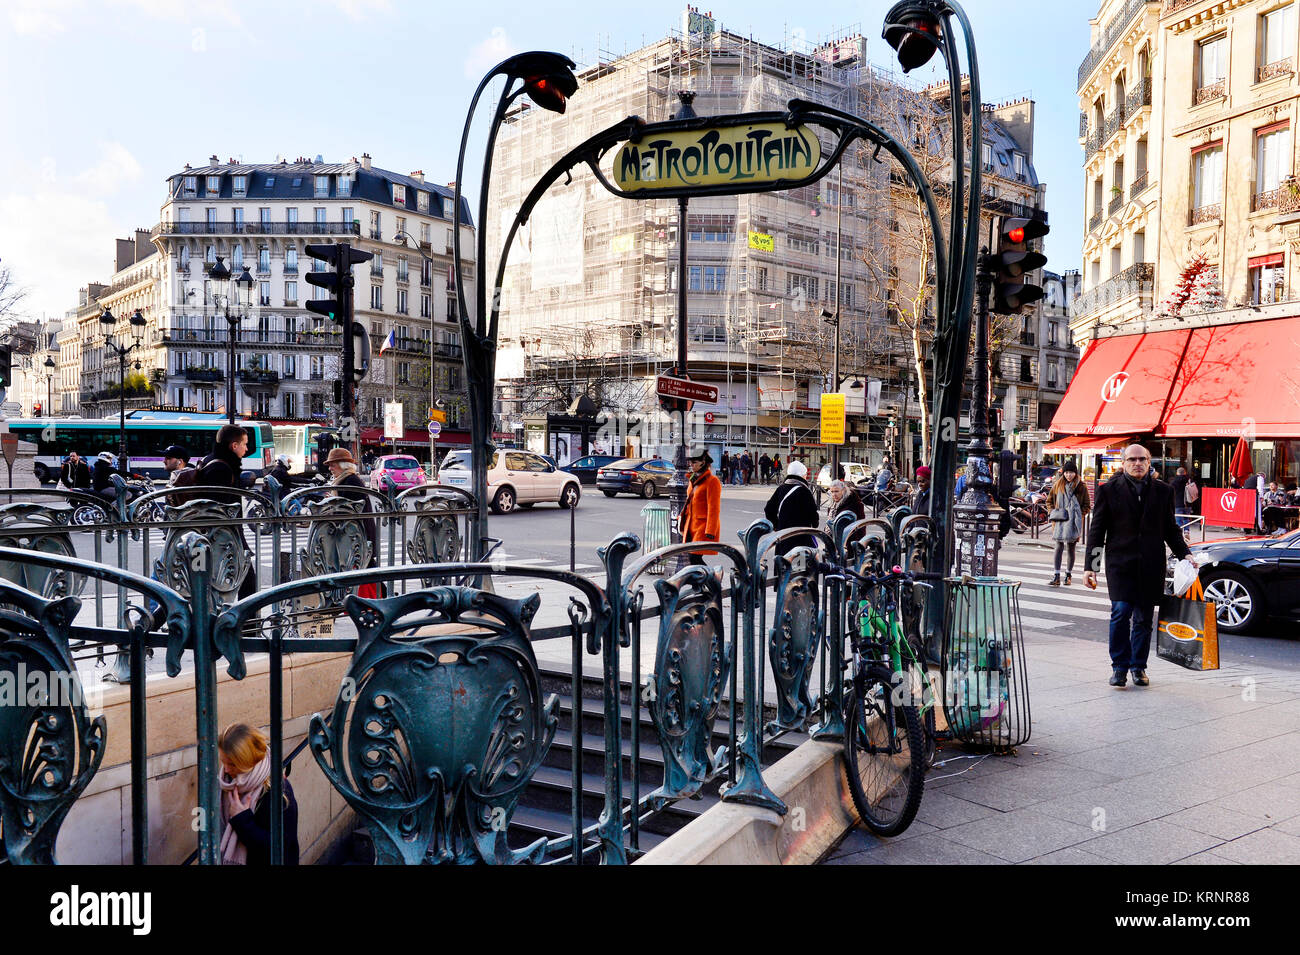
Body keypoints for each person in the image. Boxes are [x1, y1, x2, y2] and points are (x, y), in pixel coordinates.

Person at [1084, 443, 1191, 688]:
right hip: (1119, 564)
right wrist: (1091, 566)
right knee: (1120, 612)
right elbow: (1097, 530)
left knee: (1143, 618)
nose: (1137, 463)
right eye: (1132, 459)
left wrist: (1185, 554)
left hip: (1151, 564)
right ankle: (1119, 667)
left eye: (1142, 459)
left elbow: (1170, 529)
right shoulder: (1108, 490)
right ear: (1123, 463)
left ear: (1149, 460)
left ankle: (1138, 667)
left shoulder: (1164, 491)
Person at [218, 722, 299, 865]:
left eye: (232, 764)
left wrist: (242, 820)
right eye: (223, 762)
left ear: (249, 760)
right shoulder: (224, 783)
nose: (225, 770)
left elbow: (281, 849)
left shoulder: (278, 791)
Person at [325, 448, 379, 567]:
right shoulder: (345, 479)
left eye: (332, 465)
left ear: (343, 465)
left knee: (364, 571)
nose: (330, 469)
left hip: (358, 536)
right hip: (356, 536)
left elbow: (345, 511)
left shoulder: (350, 481)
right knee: (365, 570)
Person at [1047, 460, 1091, 586]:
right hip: (1060, 521)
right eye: (1066, 472)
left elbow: (1087, 505)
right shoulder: (1058, 484)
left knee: (1071, 549)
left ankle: (1068, 575)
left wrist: (1078, 515)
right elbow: (1049, 500)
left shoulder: (1081, 486)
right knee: (1058, 547)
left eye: (1071, 472)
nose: (1068, 475)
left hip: (1074, 523)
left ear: (1075, 473)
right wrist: (1052, 512)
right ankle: (1056, 575)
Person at [764, 459, 820, 557]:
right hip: (801, 535)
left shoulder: (781, 488)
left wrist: (777, 525)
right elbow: (813, 514)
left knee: (782, 562)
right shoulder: (805, 491)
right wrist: (814, 524)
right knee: (798, 565)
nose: (805, 476)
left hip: (783, 535)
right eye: (805, 474)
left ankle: (782, 571)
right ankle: (798, 571)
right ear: (801, 475)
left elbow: (768, 509)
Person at [678, 448, 721, 566]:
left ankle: (713, 581)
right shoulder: (694, 479)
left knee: (694, 558)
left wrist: (711, 530)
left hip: (702, 527)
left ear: (703, 462)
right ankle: (699, 584)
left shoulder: (712, 481)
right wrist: (682, 518)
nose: (691, 465)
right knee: (692, 559)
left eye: (694, 462)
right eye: (690, 462)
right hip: (691, 525)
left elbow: (714, 507)